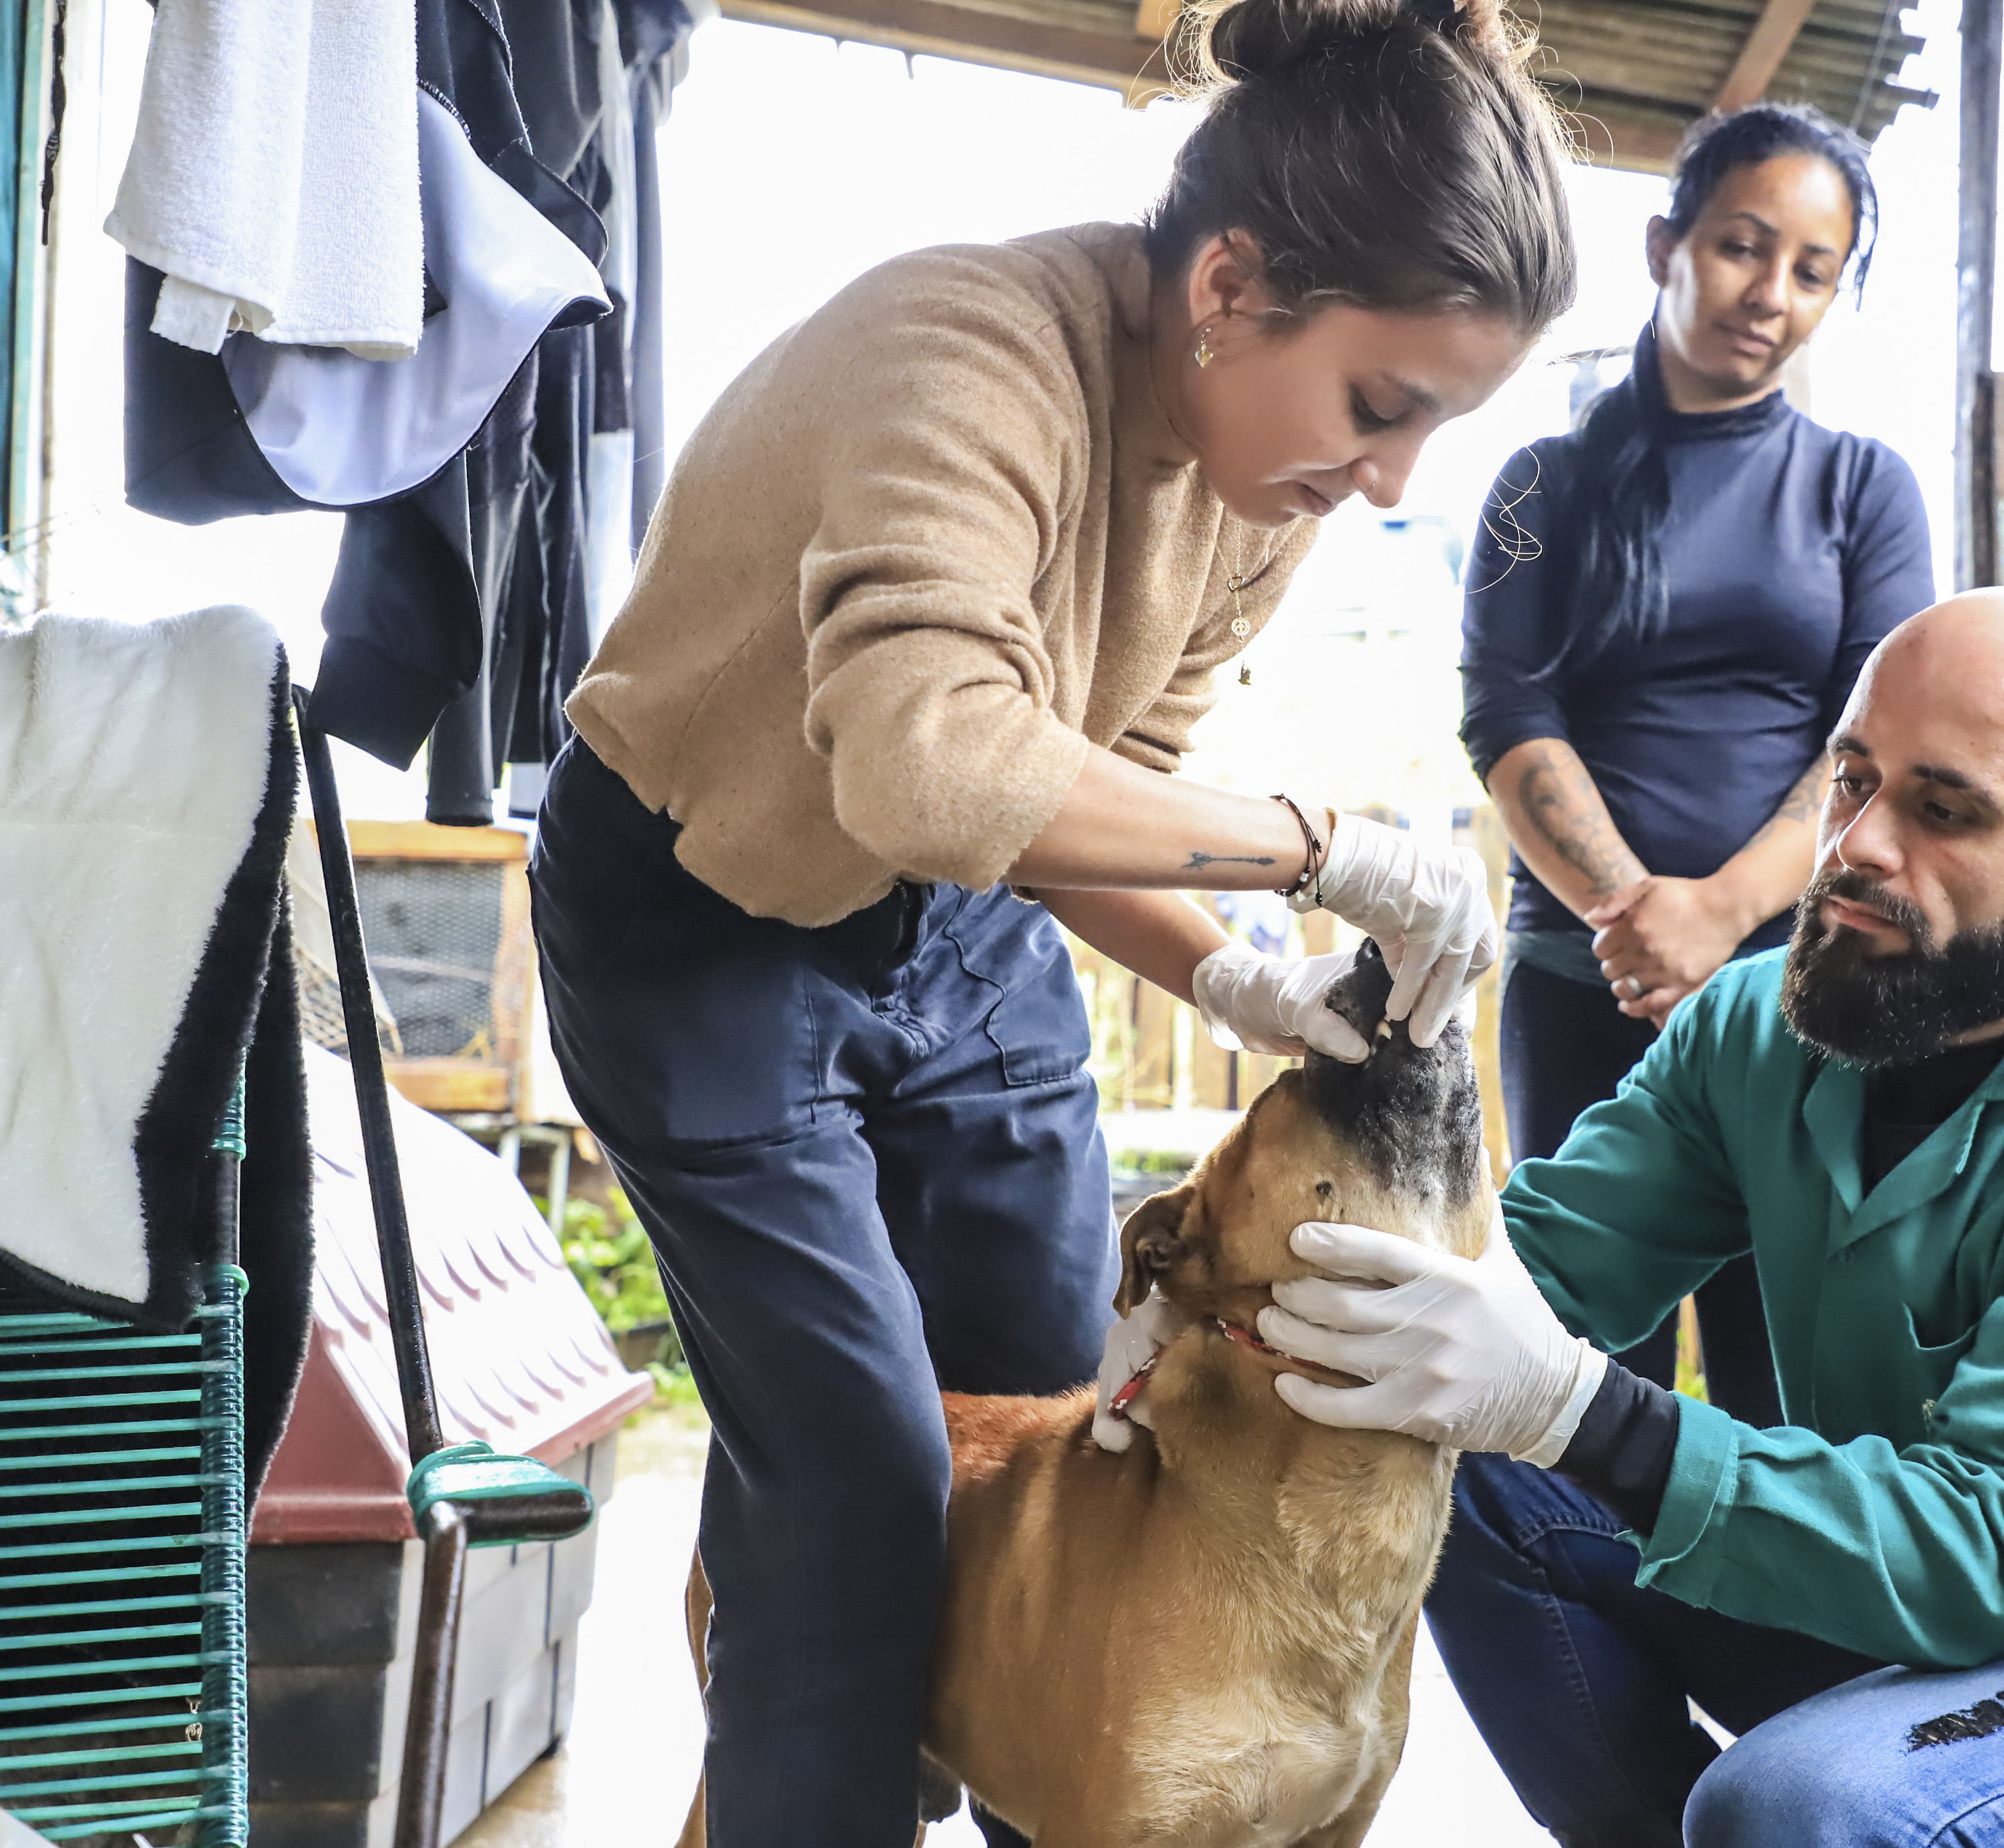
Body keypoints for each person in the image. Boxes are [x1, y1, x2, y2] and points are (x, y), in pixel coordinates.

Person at [527, 3, 1577, 1840]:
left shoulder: (1262, 477)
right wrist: (1309, 846)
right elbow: (937, 763)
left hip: (950, 923)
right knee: (858, 1476)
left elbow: (1077, 794)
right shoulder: (961, 351)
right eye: (1381, 406)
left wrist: (1246, 978)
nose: (1397, 479)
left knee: (1052, 1414)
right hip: (697, 915)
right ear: (1231, 287)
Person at [1252, 589, 2004, 1848]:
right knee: (1464, 1455)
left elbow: (2002, 1555)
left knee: (1810, 1805)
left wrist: (1579, 1411)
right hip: (1911, 1607)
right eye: (1854, 781)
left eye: (1945, 811)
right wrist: (1356, 1118)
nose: (1861, 846)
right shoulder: (1758, 1030)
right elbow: (1520, 1284)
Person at [1460, 103, 1933, 1419]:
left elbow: (1875, 733)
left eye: (1810, 271)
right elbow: (1508, 713)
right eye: (1739, 246)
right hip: (1581, 987)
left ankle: (1786, 1633)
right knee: (1573, 1373)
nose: (1768, 294)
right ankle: (1592, 1628)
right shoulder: (1538, 486)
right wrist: (1637, 926)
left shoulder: (1862, 490)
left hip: (1802, 993)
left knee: (1792, 1366)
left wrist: (1720, 920)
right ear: (1664, 242)